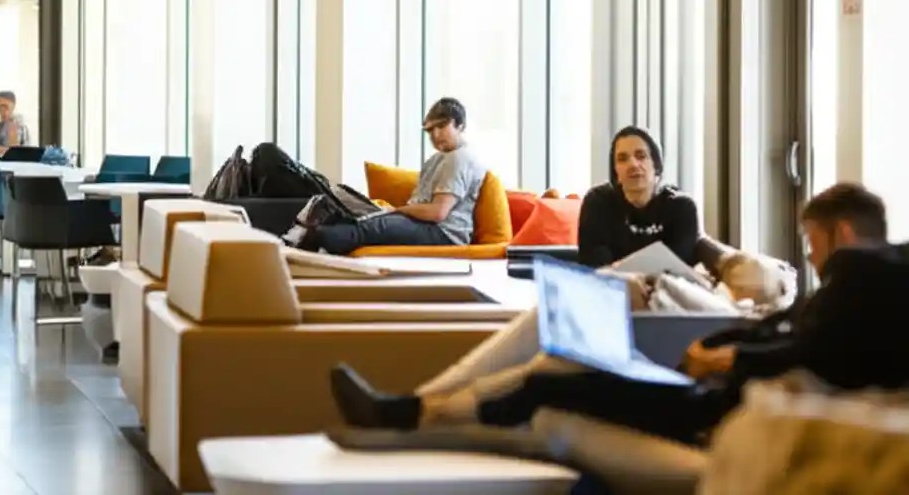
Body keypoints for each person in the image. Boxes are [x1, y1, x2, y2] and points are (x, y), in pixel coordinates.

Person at [330, 183, 909, 446]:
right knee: (551, 375)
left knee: (548, 387)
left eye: (812, 240)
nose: (807, 254)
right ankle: (408, 412)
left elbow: (813, 351)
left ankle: (406, 418)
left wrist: (729, 355)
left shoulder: (860, 282)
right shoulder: (839, 294)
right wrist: (726, 343)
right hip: (702, 390)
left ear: (844, 234)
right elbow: (779, 332)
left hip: (707, 412)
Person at [295, 97, 487, 255]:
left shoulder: (459, 158)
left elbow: (437, 213)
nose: (435, 135)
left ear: (460, 125)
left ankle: (309, 243)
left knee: (363, 229)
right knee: (351, 210)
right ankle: (311, 235)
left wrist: (399, 211)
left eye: (442, 126)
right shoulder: (437, 159)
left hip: (443, 234)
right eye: (430, 131)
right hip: (422, 224)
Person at [577, 125, 700, 268]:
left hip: (663, 287)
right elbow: (593, 264)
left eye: (641, 156)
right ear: (615, 171)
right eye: (622, 159)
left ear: (656, 165)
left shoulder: (681, 207)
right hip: (611, 287)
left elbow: (678, 264)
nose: (633, 164)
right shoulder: (597, 202)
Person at [0, 90, 31, 156]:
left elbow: (26, 153)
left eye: (7, 107)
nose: (4, 111)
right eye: (1, 107)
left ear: (13, 107)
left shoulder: (22, 130)